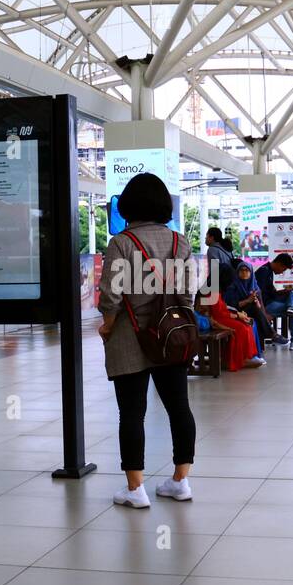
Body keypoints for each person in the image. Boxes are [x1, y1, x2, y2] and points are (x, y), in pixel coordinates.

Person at [98, 172, 197, 509]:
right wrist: (181, 320)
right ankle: (181, 480)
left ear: (129, 205)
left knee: (132, 414)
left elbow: (111, 295)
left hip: (129, 337)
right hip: (171, 335)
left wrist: (108, 326)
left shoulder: (121, 243)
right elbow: (188, 293)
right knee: (178, 407)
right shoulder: (178, 242)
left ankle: (135, 488)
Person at [255, 254, 293, 350]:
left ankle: (291, 308)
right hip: (265, 307)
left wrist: (283, 292)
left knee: (291, 294)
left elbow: (270, 293)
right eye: (284, 269)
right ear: (279, 264)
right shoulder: (263, 272)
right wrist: (264, 314)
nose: (282, 272)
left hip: (270, 302)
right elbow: (258, 295)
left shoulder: (268, 271)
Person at [197, 291, 264, 370]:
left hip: (222, 316)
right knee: (241, 329)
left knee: (247, 325)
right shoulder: (209, 293)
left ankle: (245, 356)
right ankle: (238, 360)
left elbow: (224, 308)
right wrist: (237, 315)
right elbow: (218, 313)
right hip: (216, 319)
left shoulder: (215, 292)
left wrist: (238, 314)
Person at [224, 260, 284, 346]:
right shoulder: (233, 286)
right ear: (237, 272)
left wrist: (257, 303)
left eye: (247, 270)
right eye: (241, 270)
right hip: (236, 313)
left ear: (251, 272)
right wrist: (248, 300)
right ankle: (272, 334)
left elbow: (260, 306)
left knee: (256, 309)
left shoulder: (255, 287)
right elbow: (230, 305)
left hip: (252, 312)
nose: (244, 272)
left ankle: (270, 336)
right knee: (255, 310)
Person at [205, 226, 234, 297]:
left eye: (207, 236)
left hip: (222, 285)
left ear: (212, 237)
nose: (205, 238)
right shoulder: (226, 248)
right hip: (231, 282)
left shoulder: (212, 249)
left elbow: (215, 272)